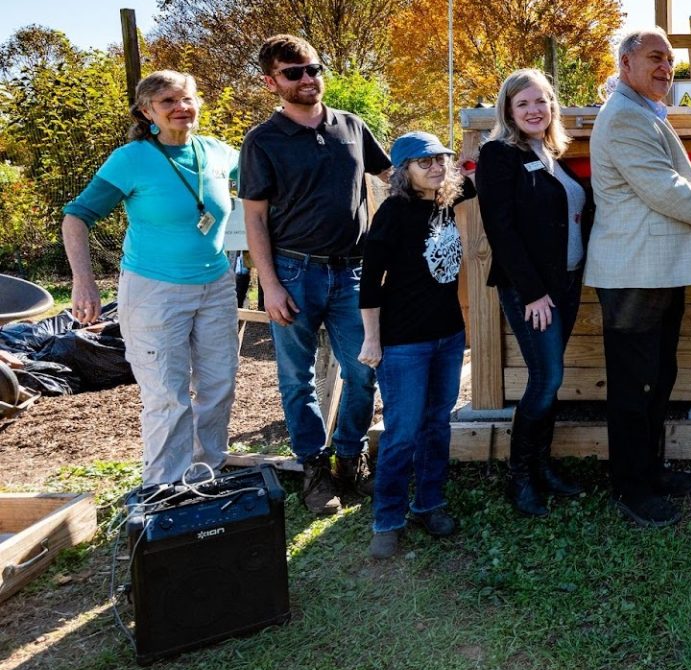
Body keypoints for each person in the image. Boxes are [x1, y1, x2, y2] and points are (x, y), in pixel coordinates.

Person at [585, 27, 691, 527]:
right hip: (635, 274)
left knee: (656, 378)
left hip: (650, 271)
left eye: (669, 60)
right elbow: (663, 188)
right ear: (625, 63)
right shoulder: (624, 117)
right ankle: (632, 488)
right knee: (635, 385)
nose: (665, 68)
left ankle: (650, 472)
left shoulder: (641, 112)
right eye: (655, 57)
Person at [62, 71, 240, 486]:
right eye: (168, 102)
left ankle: (206, 475)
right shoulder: (132, 159)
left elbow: (267, 187)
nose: (181, 108)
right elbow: (76, 217)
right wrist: (83, 281)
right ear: (147, 112)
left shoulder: (218, 153)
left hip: (216, 286)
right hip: (155, 291)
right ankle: (164, 489)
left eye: (187, 98)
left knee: (219, 385)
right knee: (167, 395)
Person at [239, 34, 391, 515]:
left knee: (364, 368)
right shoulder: (262, 141)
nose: (307, 78)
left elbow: (392, 176)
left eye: (313, 69)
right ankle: (314, 468)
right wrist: (270, 285)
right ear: (272, 82)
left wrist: (449, 176)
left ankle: (349, 458)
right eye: (294, 72)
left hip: (353, 272)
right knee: (296, 379)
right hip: (293, 271)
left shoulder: (351, 126)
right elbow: (255, 218)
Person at [477, 68, 593, 517]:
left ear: (552, 107)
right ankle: (520, 476)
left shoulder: (551, 155)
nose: (533, 110)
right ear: (508, 110)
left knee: (551, 379)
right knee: (545, 380)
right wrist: (532, 293)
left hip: (567, 281)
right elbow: (501, 229)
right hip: (533, 291)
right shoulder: (498, 154)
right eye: (522, 103)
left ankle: (542, 467)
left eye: (540, 101)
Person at [358, 132, 474, 558]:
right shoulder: (393, 212)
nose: (436, 167)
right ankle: (387, 519)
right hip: (404, 342)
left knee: (437, 425)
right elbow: (370, 282)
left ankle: (428, 503)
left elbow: (480, 171)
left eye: (441, 159)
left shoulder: (445, 201)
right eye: (425, 162)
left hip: (448, 336)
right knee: (403, 432)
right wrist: (372, 339)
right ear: (403, 171)